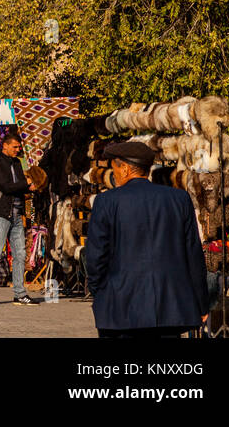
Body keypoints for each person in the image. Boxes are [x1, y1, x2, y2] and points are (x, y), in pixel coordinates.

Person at [84, 141, 207, 337]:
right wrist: (201, 302)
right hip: (170, 308)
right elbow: (193, 254)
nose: (113, 174)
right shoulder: (179, 199)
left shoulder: (107, 201)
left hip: (120, 308)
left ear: (124, 168)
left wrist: (101, 294)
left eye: (113, 168)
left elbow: (96, 256)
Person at [0, 133, 39, 305]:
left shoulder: (17, 163)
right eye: (15, 147)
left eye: (19, 147)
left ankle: (19, 294)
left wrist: (30, 189)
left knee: (20, 254)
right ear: (5, 145)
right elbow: (5, 186)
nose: (17, 150)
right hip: (1, 214)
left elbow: (18, 186)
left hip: (17, 214)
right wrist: (26, 183)